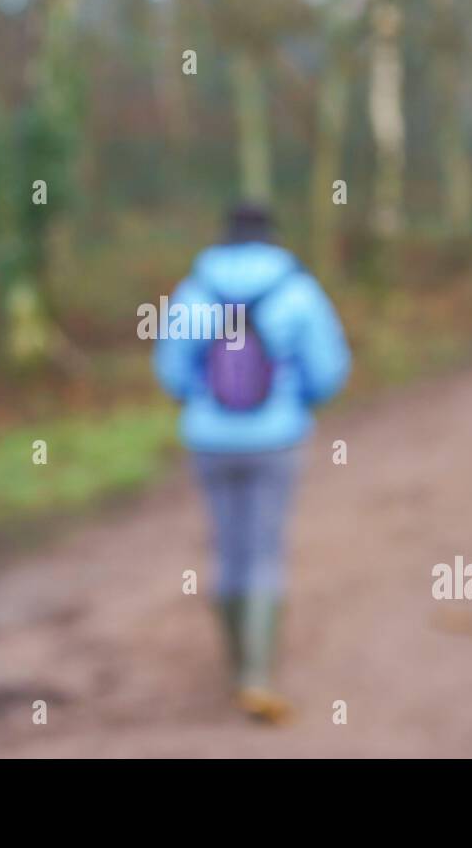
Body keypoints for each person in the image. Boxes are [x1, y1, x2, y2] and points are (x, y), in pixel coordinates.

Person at [153, 202, 350, 723]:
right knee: (264, 548)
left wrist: (202, 399)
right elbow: (328, 371)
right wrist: (296, 398)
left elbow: (171, 372)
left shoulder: (194, 290)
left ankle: (235, 662)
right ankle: (257, 676)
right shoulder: (299, 291)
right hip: (277, 440)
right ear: (272, 236)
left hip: (209, 441)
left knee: (227, 546)